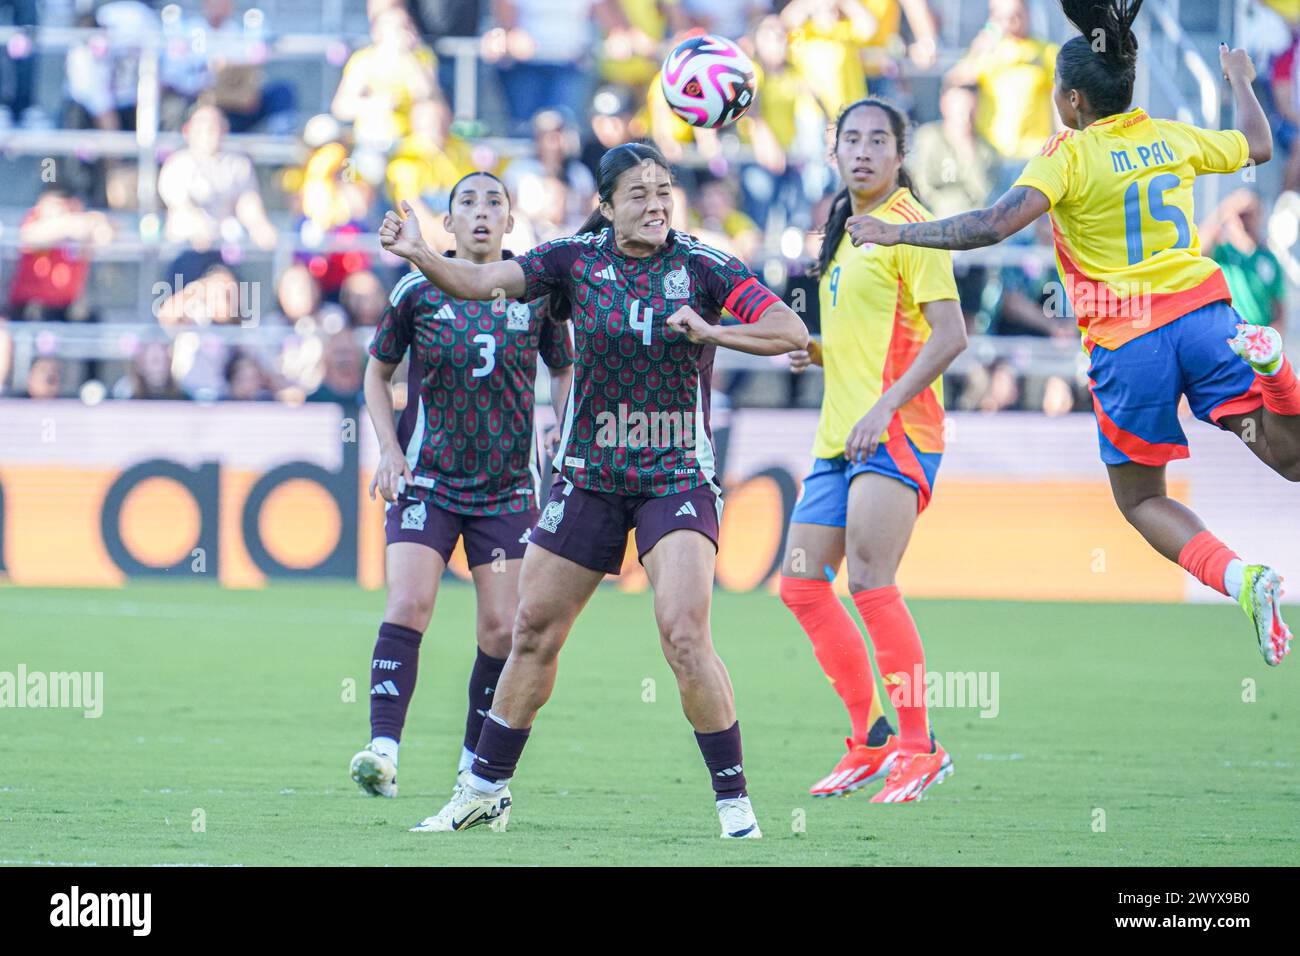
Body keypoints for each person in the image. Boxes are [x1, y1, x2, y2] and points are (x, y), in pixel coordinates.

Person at [846, 1, 1297, 667]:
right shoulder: (1170, 136)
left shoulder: (1068, 155)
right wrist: (1238, 80)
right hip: (1208, 319)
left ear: (1073, 99)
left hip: (1131, 342)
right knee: (1290, 458)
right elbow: (1258, 147)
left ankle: (1240, 577)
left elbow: (990, 225)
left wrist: (894, 230)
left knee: (1142, 500)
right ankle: (1279, 370)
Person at [380, 142, 807, 837]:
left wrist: (710, 330)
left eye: (664, 190)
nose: (656, 204)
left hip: (675, 475)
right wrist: (421, 254)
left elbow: (788, 328)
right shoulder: (571, 261)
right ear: (605, 207)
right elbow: (477, 284)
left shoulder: (703, 266)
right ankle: (483, 788)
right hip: (589, 476)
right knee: (532, 633)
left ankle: (734, 802)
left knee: (683, 635)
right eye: (637, 193)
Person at [348, 171, 575, 802]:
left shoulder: (533, 292)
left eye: (494, 203)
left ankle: (474, 770)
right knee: (408, 605)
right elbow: (376, 375)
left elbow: (564, 369)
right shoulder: (416, 289)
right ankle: (383, 750)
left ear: (510, 221)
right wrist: (389, 450)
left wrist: (562, 418)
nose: (481, 213)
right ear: (447, 225)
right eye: (467, 204)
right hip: (428, 480)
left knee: (502, 632)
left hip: (506, 489)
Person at [779, 98, 967, 804]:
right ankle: (871, 740)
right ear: (835, 152)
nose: (862, 150)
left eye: (876, 140)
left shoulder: (911, 228)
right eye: (850, 139)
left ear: (899, 154)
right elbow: (875, 336)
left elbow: (950, 336)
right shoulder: (846, 231)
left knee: (870, 581)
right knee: (800, 582)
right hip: (839, 438)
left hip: (897, 432)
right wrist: (822, 352)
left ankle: (922, 746)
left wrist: (886, 404)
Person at [1201, 189, 1286, 332]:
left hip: (1257, 339)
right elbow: (1197, 248)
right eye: (1241, 215)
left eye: (1252, 214)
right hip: (1226, 335)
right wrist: (1225, 209)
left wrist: (1273, 340)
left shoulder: (1268, 259)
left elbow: (1279, 308)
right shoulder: (1222, 253)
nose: (1246, 220)